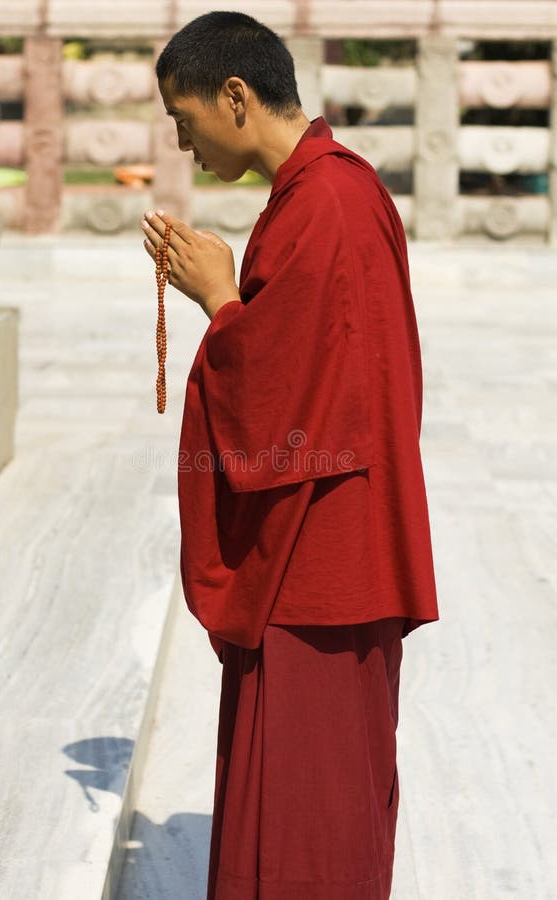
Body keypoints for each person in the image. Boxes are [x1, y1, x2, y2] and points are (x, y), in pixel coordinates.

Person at [140, 11, 439, 900]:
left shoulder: (326, 205)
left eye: (184, 119)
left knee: (309, 824)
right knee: (303, 809)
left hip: (323, 568)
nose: (182, 143)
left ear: (236, 96)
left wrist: (221, 301)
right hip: (326, 551)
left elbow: (280, 400)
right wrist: (235, 299)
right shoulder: (325, 194)